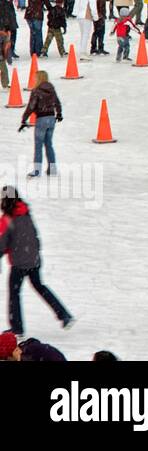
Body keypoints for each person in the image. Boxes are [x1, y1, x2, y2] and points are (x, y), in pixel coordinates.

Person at [0, 186, 74, 335]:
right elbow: (34, 236)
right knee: (41, 287)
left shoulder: (7, 219)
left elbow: (2, 244)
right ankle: (64, 315)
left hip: (19, 264)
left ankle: (17, 329)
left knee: (14, 294)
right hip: (34, 260)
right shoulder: (26, 213)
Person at [19, 70, 61, 177]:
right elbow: (57, 102)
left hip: (41, 119)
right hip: (51, 118)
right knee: (49, 144)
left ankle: (37, 171)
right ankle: (52, 169)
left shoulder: (36, 91)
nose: (34, 79)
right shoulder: (51, 89)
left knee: (38, 146)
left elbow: (31, 106)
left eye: (35, 77)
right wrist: (59, 114)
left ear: (39, 78)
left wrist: (24, 119)